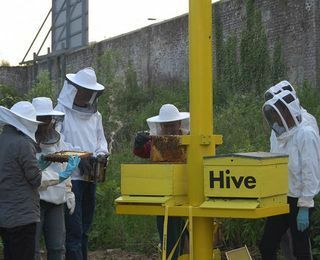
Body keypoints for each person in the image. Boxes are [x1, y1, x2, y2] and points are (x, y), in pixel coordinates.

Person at [55, 67, 109, 260]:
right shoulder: (60, 112)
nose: (87, 95)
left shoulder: (96, 115)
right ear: (74, 90)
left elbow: (101, 140)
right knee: (74, 231)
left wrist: (100, 155)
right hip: (70, 179)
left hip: (90, 177)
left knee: (85, 228)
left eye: (90, 92)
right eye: (84, 90)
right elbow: (56, 143)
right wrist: (80, 156)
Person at [259, 90, 320, 259]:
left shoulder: (306, 134)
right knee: (267, 245)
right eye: (272, 114)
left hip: (299, 201)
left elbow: (311, 171)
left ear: (287, 111)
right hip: (280, 198)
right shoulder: (278, 134)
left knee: (301, 249)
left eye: (276, 113)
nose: (274, 117)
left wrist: (305, 206)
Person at [133, 104, 189, 260]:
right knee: (168, 233)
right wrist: (138, 143)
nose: (170, 129)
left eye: (172, 125)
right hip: (163, 194)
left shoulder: (189, 138)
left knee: (190, 232)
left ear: (179, 124)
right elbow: (141, 152)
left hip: (188, 191)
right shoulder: (156, 142)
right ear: (161, 126)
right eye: (166, 125)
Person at [32, 97, 80, 260]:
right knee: (32, 249)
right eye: (41, 119)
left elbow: (65, 167)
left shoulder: (58, 139)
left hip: (57, 202)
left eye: (48, 118)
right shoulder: (27, 140)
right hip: (35, 201)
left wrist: (68, 192)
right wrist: (59, 177)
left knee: (58, 248)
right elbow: (32, 176)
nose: (46, 122)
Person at [0, 101, 44, 260]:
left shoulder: (2, 140)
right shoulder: (23, 143)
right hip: (22, 216)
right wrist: (40, 168)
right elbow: (35, 179)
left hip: (4, 215)